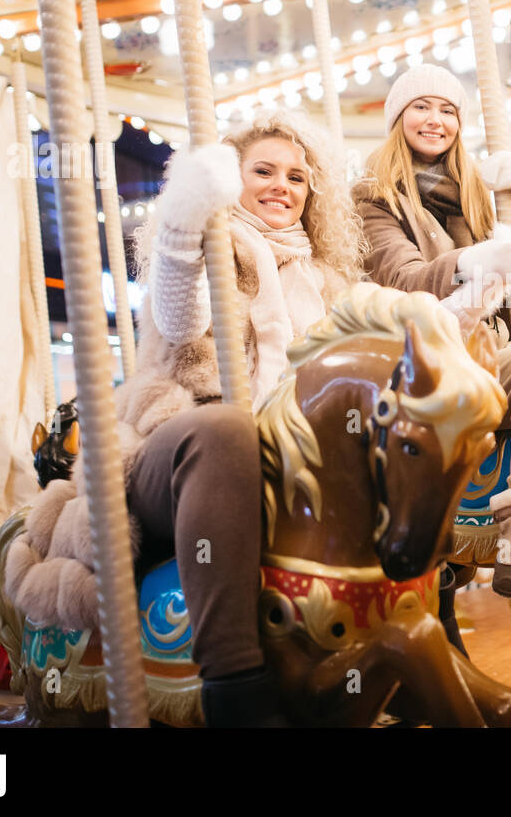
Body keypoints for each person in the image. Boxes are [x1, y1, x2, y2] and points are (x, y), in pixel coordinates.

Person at [118, 107, 363, 726]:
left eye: (297, 177)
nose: (282, 184)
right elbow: (181, 317)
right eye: (264, 171)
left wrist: (474, 292)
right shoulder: (212, 247)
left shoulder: (326, 281)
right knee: (229, 429)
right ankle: (236, 683)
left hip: (289, 458)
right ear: (234, 178)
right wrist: (184, 221)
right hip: (183, 452)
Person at [353, 64, 511, 607]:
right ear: (398, 118)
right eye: (422, 107)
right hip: (423, 353)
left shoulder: (473, 193)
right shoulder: (374, 197)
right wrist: (473, 260)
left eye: (448, 110)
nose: (436, 120)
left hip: (484, 350)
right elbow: (403, 280)